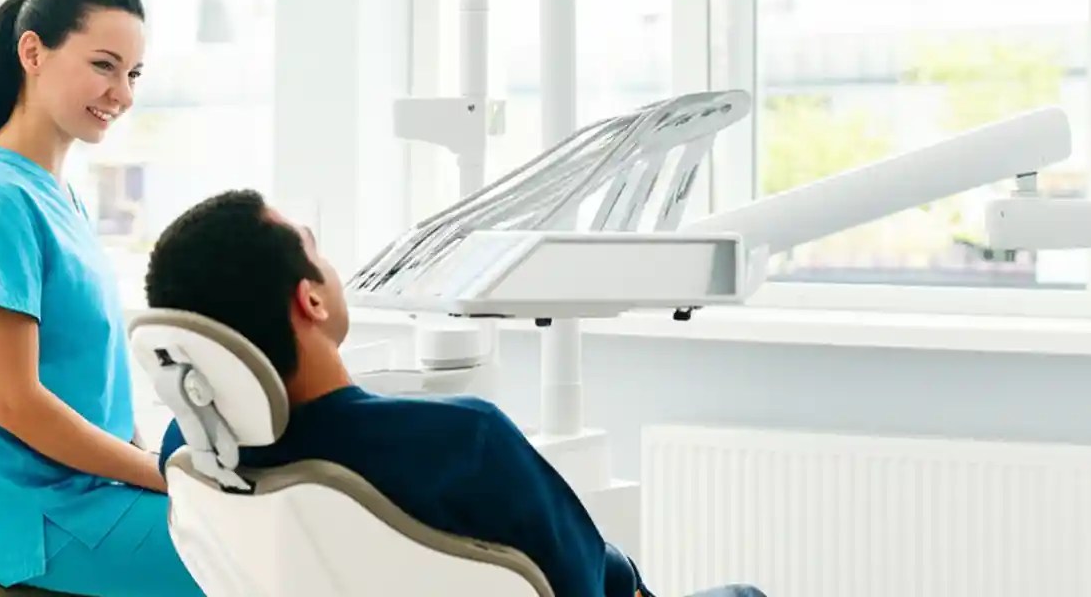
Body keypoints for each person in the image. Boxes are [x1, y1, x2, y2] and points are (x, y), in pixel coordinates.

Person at [147, 189, 766, 597]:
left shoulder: (196, 457)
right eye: (317, 249)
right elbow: (580, 586)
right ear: (310, 298)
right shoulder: (463, 440)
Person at [0, 0, 203, 596]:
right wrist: (163, 474)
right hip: (29, 519)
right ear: (32, 53)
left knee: (261, 533)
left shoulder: (55, 196)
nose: (122, 94)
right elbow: (13, 402)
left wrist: (163, 466)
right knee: (257, 560)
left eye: (133, 74)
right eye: (104, 65)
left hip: (86, 498)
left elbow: (89, 384)